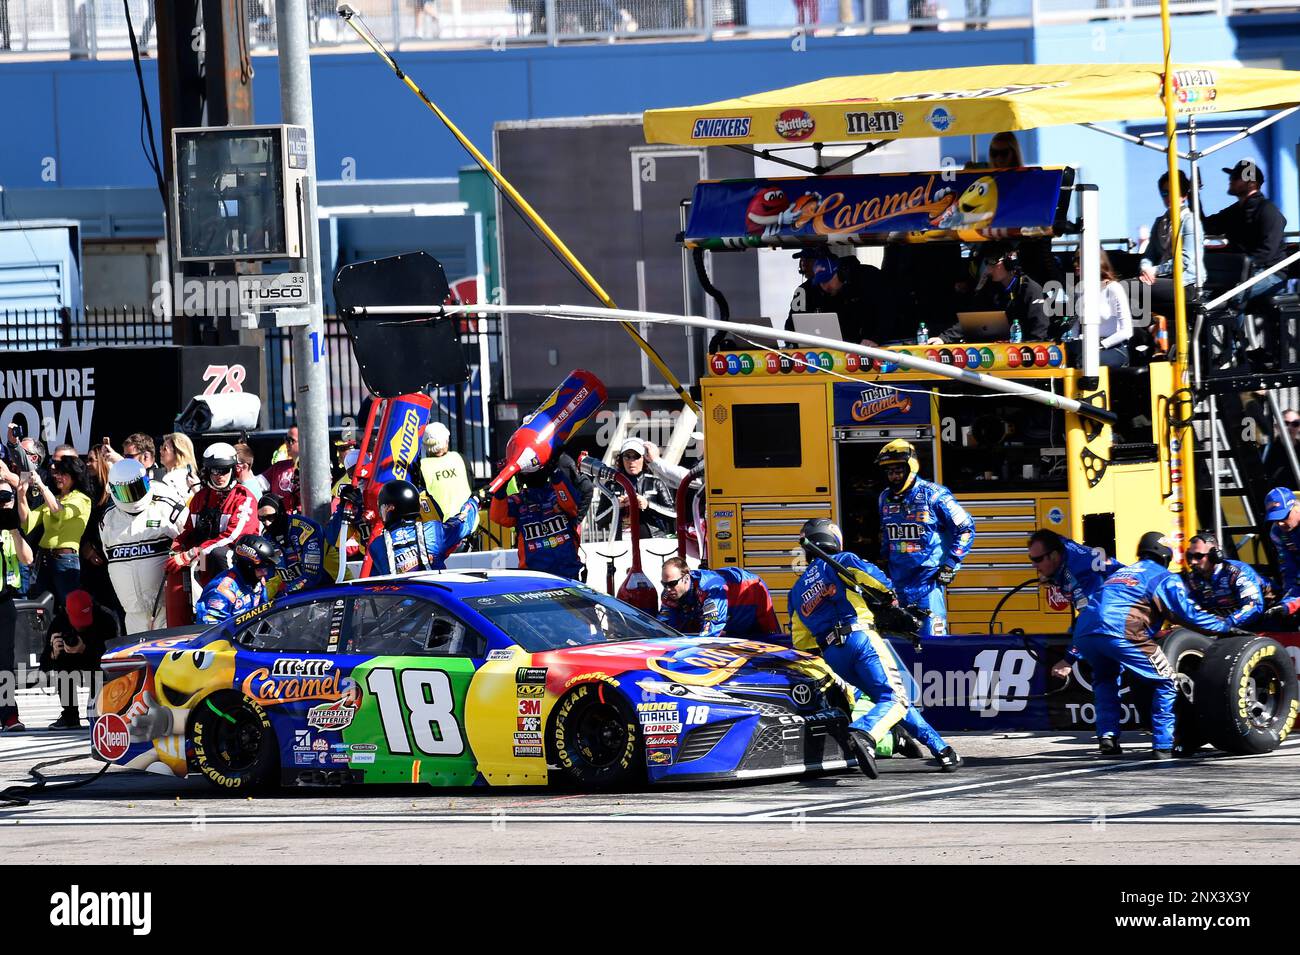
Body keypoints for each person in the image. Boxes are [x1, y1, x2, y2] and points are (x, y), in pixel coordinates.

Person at [789, 519, 960, 775]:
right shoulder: (842, 560)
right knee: (896, 699)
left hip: (834, 656)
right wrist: (891, 599)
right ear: (832, 538)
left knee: (889, 701)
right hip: (860, 638)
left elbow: (802, 642)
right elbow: (876, 579)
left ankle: (941, 749)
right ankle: (865, 733)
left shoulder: (795, 592)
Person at [1070, 531, 1237, 758]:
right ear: (1165, 555)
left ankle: (1107, 737)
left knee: (1106, 680)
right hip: (1122, 630)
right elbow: (1188, 614)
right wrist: (1225, 627)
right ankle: (1163, 745)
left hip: (1085, 632)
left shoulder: (1121, 573)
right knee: (1166, 680)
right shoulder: (1162, 576)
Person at [876, 439, 975, 637]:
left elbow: (965, 528)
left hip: (927, 584)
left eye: (899, 471)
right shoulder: (884, 498)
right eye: (890, 472)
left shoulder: (935, 495)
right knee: (899, 646)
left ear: (910, 468)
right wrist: (882, 563)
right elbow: (886, 535)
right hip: (897, 586)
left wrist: (950, 565)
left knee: (933, 643)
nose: (894, 476)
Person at [100, 459, 186, 634]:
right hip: (132, 613)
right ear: (113, 490)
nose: (133, 496)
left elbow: (192, 544)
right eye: (126, 492)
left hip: (168, 607)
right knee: (139, 659)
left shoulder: (168, 506)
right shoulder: (108, 519)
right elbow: (108, 555)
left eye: (137, 488)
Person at [168, 442, 260, 591]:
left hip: (240, 563)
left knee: (218, 553)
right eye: (214, 471)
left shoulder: (244, 498)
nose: (219, 476)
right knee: (202, 566)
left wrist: (192, 553)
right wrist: (177, 546)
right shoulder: (199, 498)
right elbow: (190, 531)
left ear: (233, 470)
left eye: (223, 471)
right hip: (205, 560)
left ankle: (234, 596)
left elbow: (232, 536)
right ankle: (207, 597)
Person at [1031, 529, 1122, 678]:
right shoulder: (1062, 546)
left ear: (1053, 556)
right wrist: (1052, 575)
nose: (1034, 566)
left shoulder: (1078, 574)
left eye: (1038, 560)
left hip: (1123, 614)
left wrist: (1068, 660)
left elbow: (1093, 619)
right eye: (1032, 559)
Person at [1202, 159, 1288, 312]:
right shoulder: (1235, 211)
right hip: (1241, 272)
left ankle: (1236, 336)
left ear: (1251, 184)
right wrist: (1194, 195)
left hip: (1271, 273)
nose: (1230, 180)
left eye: (1235, 177)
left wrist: (1242, 268)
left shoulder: (1268, 210)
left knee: (1234, 294)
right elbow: (1205, 226)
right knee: (1206, 292)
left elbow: (1266, 252)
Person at [931, 243, 1052, 343]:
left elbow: (1039, 332)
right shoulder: (990, 288)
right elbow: (973, 320)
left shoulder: (1031, 289)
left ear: (1009, 264)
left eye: (993, 264)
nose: (989, 269)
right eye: (987, 264)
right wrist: (943, 338)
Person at [491, 462, 586, 581]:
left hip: (568, 575)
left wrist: (555, 470)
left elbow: (574, 504)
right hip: (533, 577)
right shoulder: (518, 501)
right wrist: (502, 483)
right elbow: (498, 516)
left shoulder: (558, 493)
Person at [365, 479, 478, 576]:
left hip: (398, 600)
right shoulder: (432, 530)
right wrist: (475, 500)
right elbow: (464, 522)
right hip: (435, 599)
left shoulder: (377, 545)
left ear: (388, 508)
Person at [18, 453, 92, 602]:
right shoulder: (54, 498)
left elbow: (60, 512)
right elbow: (28, 522)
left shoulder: (82, 499)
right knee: (38, 606)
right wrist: (21, 494)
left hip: (65, 560)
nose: (58, 477)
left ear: (74, 476)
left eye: (63, 474)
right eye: (57, 473)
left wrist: (41, 485)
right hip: (43, 559)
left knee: (69, 606)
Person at [785, 249, 894, 347]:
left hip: (874, 350)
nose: (824, 286)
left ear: (841, 273)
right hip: (827, 354)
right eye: (820, 282)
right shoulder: (806, 290)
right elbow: (791, 327)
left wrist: (875, 338)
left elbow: (888, 311)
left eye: (826, 280)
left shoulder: (868, 278)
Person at [1136, 170, 1205, 324]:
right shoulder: (1160, 222)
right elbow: (1149, 254)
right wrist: (1145, 268)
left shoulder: (1190, 221)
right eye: (1164, 193)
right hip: (1163, 279)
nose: (1167, 197)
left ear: (1184, 195)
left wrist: (1154, 270)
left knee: (1128, 288)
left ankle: (1146, 336)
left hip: (1186, 283)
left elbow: (1185, 261)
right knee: (1126, 289)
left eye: (1171, 192)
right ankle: (1145, 337)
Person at [40, 589, 115, 729]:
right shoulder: (59, 623)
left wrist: (85, 649)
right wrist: (53, 654)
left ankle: (100, 707)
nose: (81, 626)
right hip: (70, 665)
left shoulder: (106, 619)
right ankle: (70, 715)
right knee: (61, 665)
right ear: (67, 612)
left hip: (98, 665)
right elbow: (43, 667)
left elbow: (113, 659)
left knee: (104, 669)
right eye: (77, 622)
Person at [658, 557, 778, 638]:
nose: (668, 589)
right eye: (664, 584)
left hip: (750, 590)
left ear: (686, 578)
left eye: (672, 584)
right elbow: (664, 628)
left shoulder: (710, 589)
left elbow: (710, 634)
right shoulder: (668, 594)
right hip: (726, 598)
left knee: (767, 637)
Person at [0, 483, 33, 732]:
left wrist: (14, 530)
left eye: (7, 498)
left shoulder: (12, 529)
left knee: (5, 660)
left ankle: (9, 714)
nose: (3, 503)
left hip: (4, 601)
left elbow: (27, 558)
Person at [1180, 532, 1265, 629]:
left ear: (1214, 556)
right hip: (1226, 626)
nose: (1193, 562)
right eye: (1189, 556)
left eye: (1199, 556)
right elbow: (1190, 609)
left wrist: (1226, 622)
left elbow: (1254, 607)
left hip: (1264, 623)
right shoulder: (1192, 579)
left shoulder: (1237, 572)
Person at [194, 534, 276, 625]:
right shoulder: (222, 591)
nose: (265, 573)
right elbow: (209, 630)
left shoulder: (258, 581)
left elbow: (264, 612)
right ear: (247, 566)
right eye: (260, 568)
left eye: (266, 568)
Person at [1069, 250, 1133, 366]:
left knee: (1086, 362)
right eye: (1074, 260)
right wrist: (1073, 342)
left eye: (1079, 260)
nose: (1075, 264)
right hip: (1087, 347)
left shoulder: (1114, 289)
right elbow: (1075, 327)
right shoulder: (1079, 291)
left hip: (1114, 348)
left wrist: (1101, 344)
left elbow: (1127, 331)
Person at [258, 493, 326, 597]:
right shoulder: (266, 537)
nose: (267, 523)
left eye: (270, 517)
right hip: (293, 592)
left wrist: (288, 593)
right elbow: (270, 576)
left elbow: (312, 575)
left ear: (280, 513)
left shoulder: (304, 528)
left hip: (327, 586)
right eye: (262, 519)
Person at [612, 437, 676, 538]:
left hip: (652, 543)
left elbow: (674, 515)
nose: (631, 461)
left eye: (636, 456)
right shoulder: (611, 485)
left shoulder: (656, 483)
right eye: (627, 456)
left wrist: (648, 505)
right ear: (621, 459)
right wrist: (616, 507)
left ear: (644, 459)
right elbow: (598, 520)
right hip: (621, 546)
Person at [419, 422, 472, 523]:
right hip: (466, 523)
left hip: (437, 528)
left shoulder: (422, 466)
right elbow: (471, 486)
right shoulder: (460, 458)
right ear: (446, 441)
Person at [159, 432, 200, 499]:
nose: (160, 451)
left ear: (178, 453)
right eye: (161, 448)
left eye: (165, 448)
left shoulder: (172, 478)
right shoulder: (191, 477)